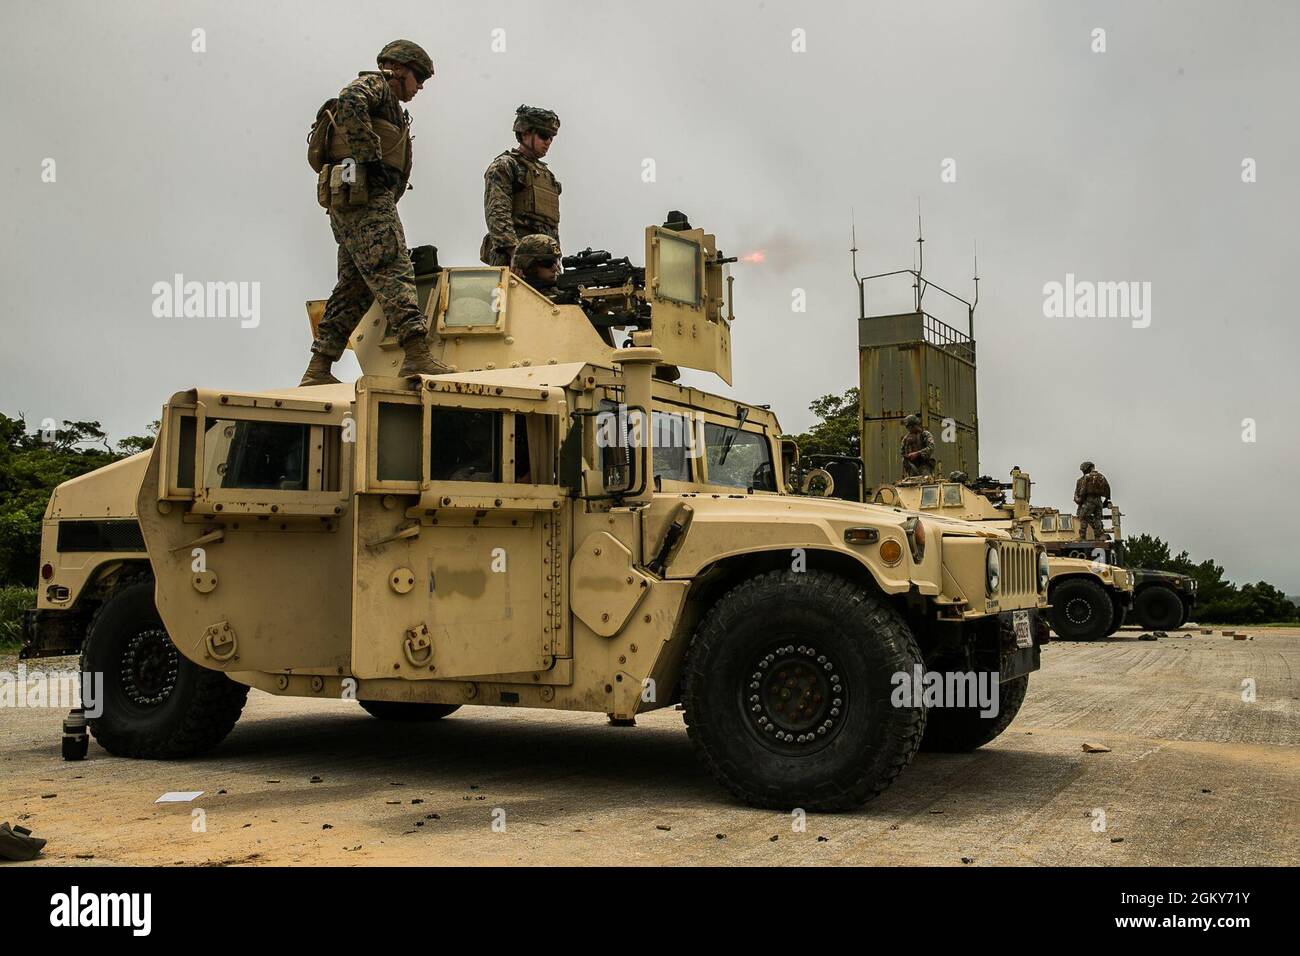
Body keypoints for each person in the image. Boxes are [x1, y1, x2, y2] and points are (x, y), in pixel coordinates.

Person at [300, 40, 448, 386]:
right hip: (365, 200)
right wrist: (369, 157)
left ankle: (318, 367)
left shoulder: (390, 102)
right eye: (419, 77)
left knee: (355, 288)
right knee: (394, 266)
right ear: (400, 69)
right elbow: (350, 101)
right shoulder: (375, 85)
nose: (420, 86)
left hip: (357, 200)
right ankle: (416, 354)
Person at [480, 105, 562, 267]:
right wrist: (515, 255)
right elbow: (497, 214)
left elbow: (551, 226)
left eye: (551, 137)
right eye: (544, 135)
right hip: (514, 259)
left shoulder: (547, 176)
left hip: (544, 262)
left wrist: (554, 262)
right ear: (525, 133)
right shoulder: (506, 166)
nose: (548, 142)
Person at [1074, 460, 1112, 540]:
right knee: (1097, 518)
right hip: (1099, 501)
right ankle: (1098, 535)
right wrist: (1107, 499)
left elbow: (1082, 491)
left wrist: (1080, 499)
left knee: (1083, 517)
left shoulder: (1086, 478)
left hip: (1089, 500)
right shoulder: (1101, 477)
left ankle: (1082, 536)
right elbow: (1107, 488)